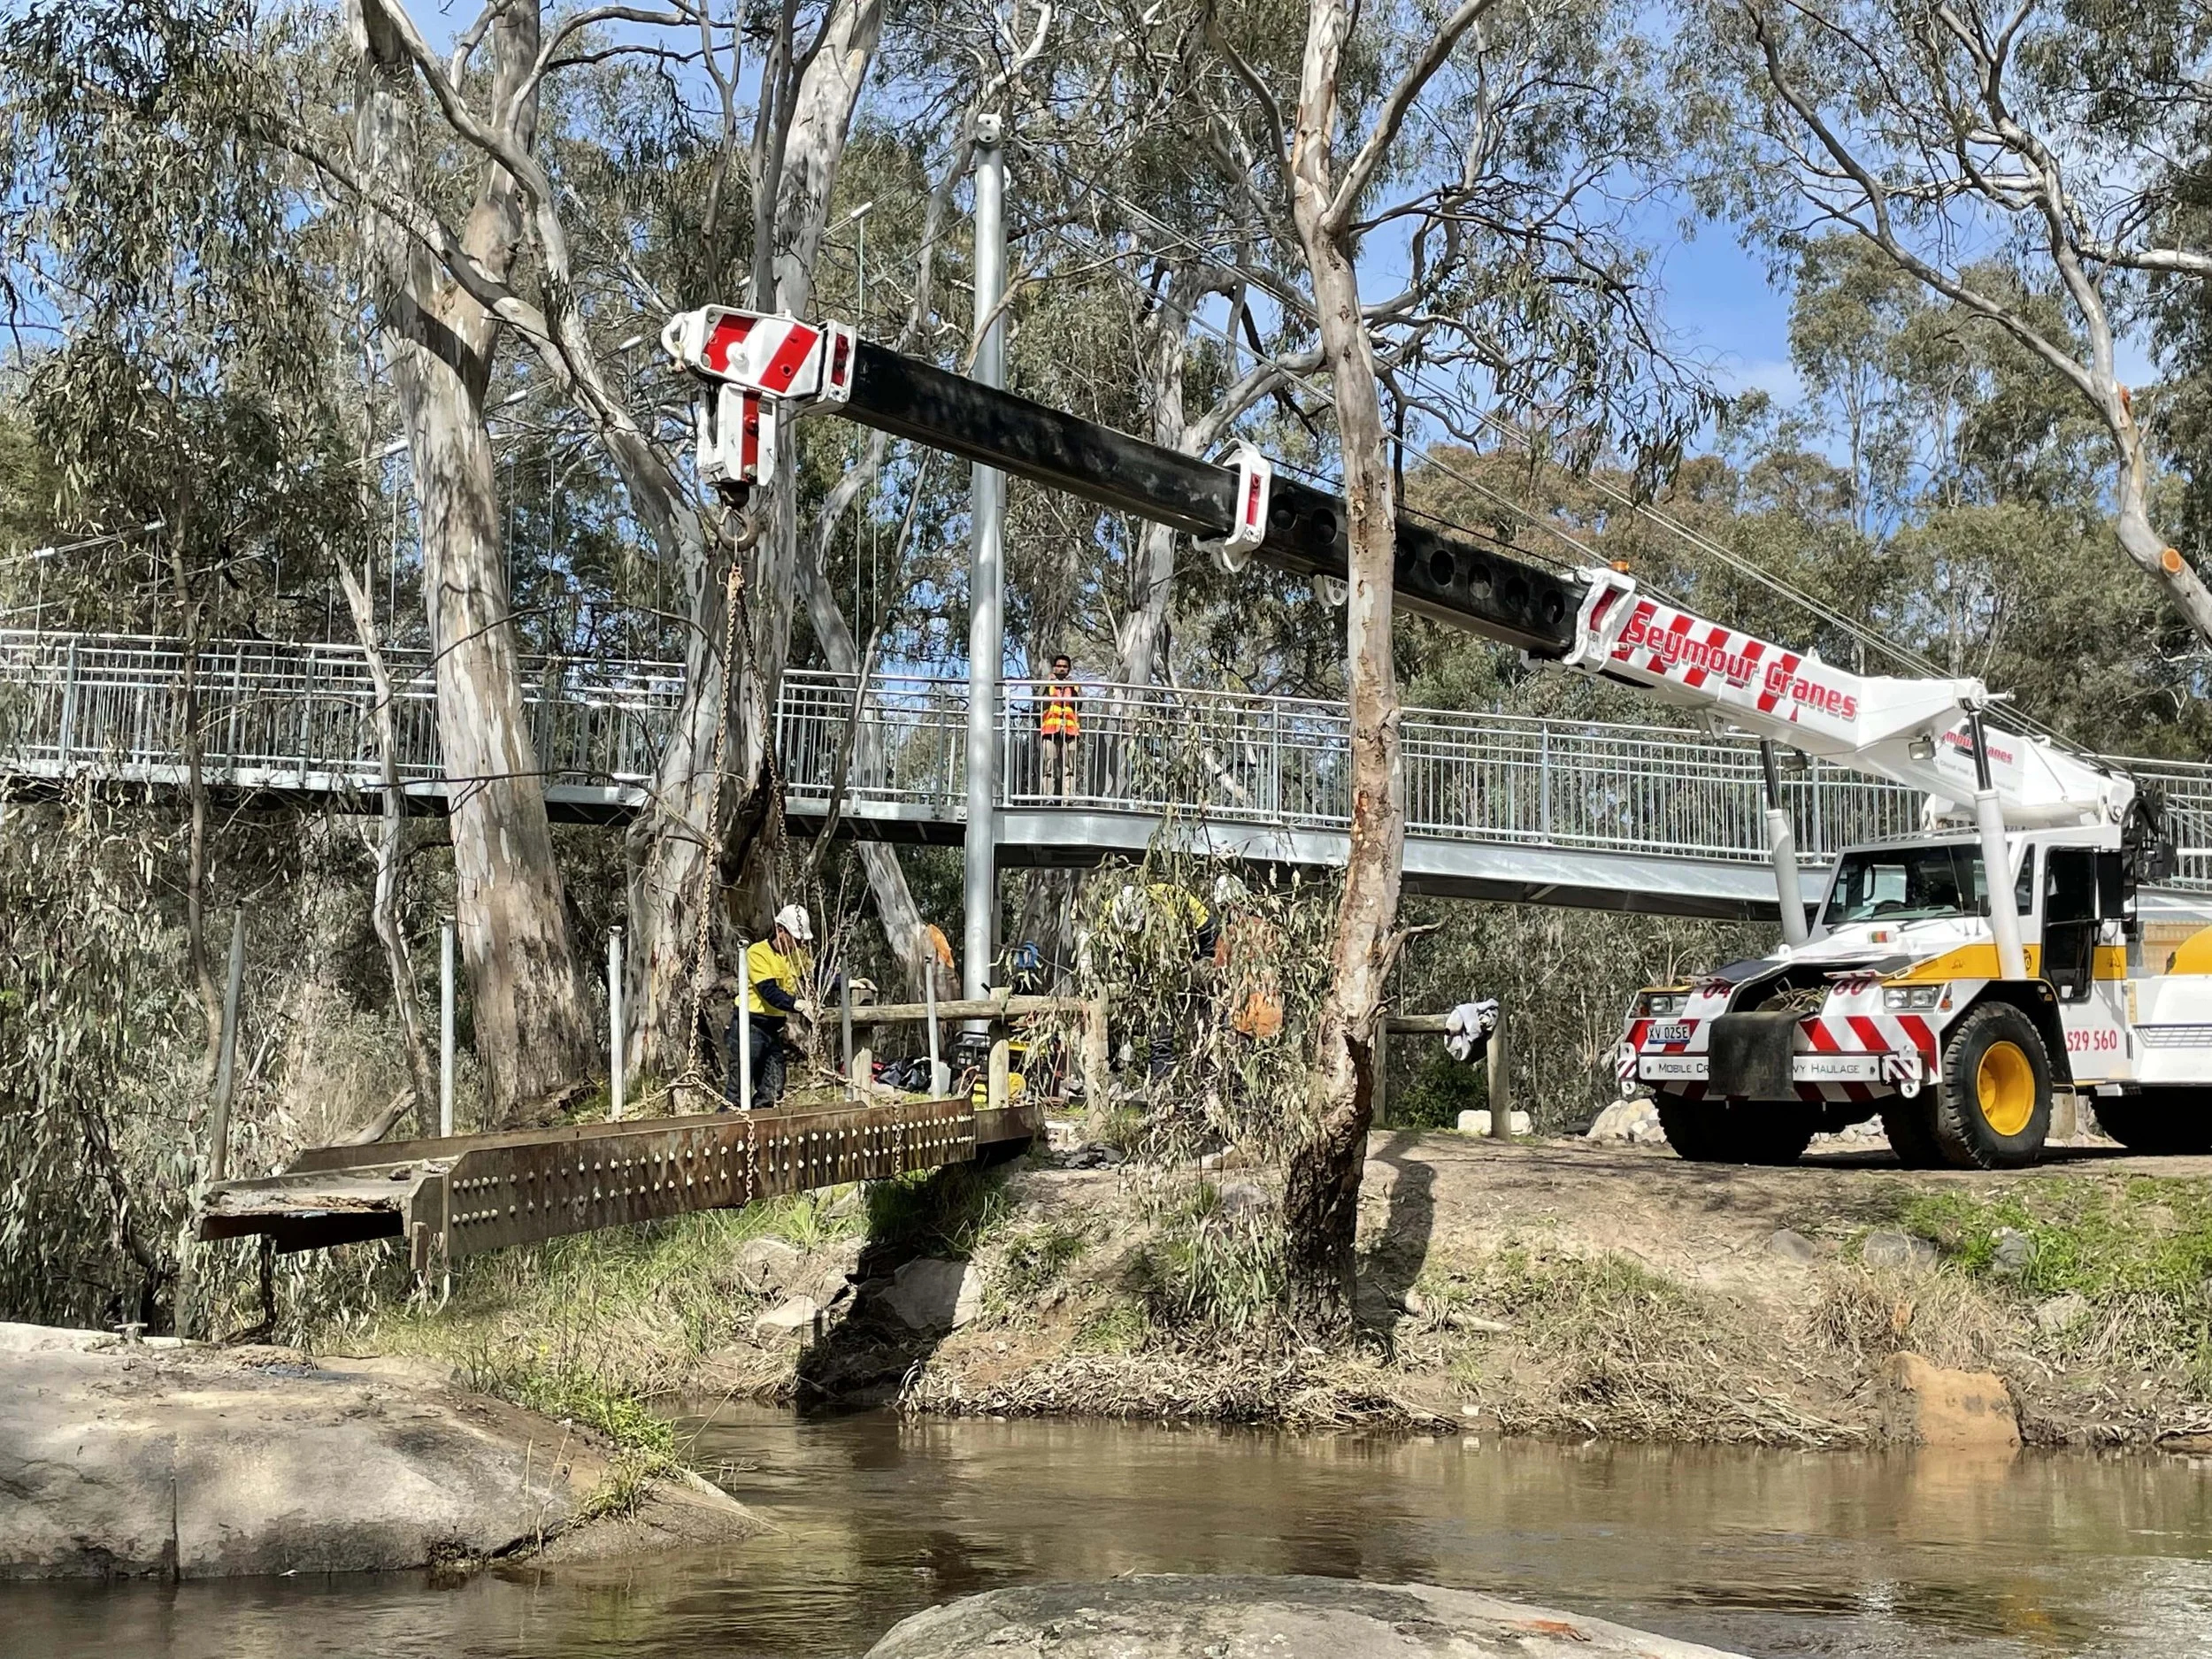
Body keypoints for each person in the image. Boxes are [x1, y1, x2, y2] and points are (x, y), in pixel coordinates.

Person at [728, 903, 812, 1111]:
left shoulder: (797, 956)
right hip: (750, 1026)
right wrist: (796, 1004)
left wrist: (846, 982)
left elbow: (815, 976)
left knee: (772, 1090)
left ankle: (761, 1133)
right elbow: (770, 992)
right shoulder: (757, 953)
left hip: (773, 1029)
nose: (798, 944)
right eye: (795, 938)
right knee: (738, 1091)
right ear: (780, 930)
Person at [1038, 653, 1082, 802]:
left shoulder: (1074, 685)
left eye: (1065, 667)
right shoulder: (1047, 684)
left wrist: (1071, 687)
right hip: (1051, 729)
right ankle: (1048, 798)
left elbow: (1079, 704)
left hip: (1070, 730)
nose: (1061, 669)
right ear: (1054, 668)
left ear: (1069, 669)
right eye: (1059, 666)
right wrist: (1048, 684)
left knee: (1069, 767)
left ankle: (1067, 799)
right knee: (1048, 766)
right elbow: (1040, 703)